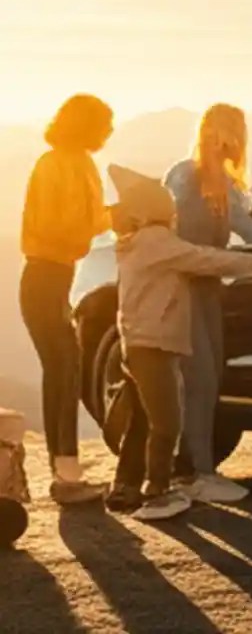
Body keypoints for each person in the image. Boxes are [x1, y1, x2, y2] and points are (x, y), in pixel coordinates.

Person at [103, 164, 252, 520]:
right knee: (167, 424)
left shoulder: (135, 242)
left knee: (142, 421)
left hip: (137, 343)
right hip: (155, 346)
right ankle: (158, 493)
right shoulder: (156, 241)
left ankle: (125, 489)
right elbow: (203, 259)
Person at [163, 103, 252, 504]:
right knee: (197, 378)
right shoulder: (184, 176)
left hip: (208, 288)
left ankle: (196, 468)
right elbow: (170, 231)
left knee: (209, 377)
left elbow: (247, 228)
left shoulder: (227, 185)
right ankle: (191, 472)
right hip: (181, 286)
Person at [19, 94, 114, 505]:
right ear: (86, 125)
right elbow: (57, 225)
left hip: (56, 277)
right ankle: (66, 477)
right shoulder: (53, 164)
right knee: (63, 370)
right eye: (105, 124)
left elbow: (88, 221)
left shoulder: (81, 164)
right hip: (44, 277)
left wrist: (116, 216)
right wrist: (110, 218)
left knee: (64, 371)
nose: (109, 131)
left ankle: (65, 474)